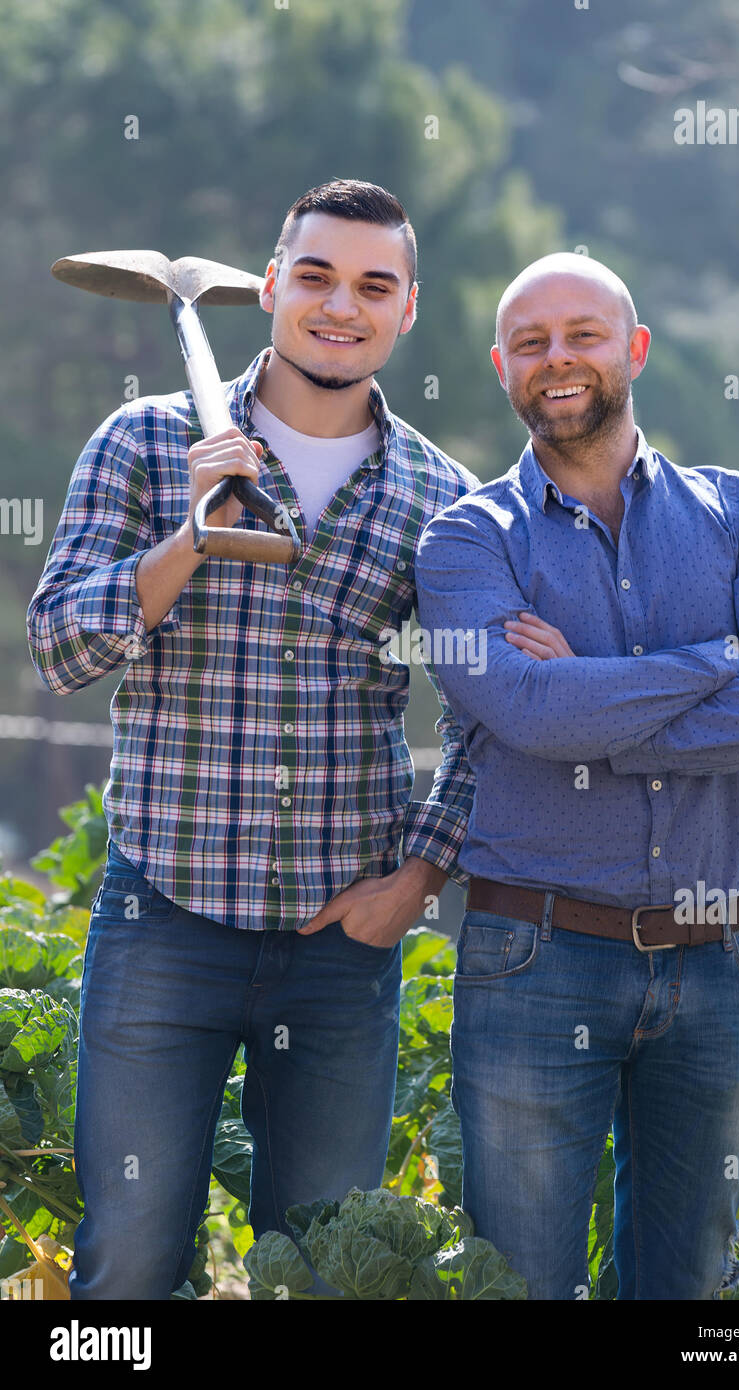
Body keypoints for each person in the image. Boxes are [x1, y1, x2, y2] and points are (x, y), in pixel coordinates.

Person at [27, 179, 479, 1300]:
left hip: (342, 948)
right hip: (163, 924)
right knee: (128, 1259)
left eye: (373, 285)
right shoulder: (146, 440)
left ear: (406, 309)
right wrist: (186, 541)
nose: (341, 304)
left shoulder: (439, 495)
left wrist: (414, 879)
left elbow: (482, 713)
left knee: (322, 1267)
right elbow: (63, 651)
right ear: (270, 287)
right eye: (316, 276)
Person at [414, 252, 739, 1300]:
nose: (555, 360)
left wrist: (595, 704)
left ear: (632, 349)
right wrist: (714, 661)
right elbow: (522, 709)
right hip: (536, 954)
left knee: (691, 1285)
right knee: (519, 1278)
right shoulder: (465, 541)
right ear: (502, 367)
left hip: (727, 956)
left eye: (580, 335)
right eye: (529, 343)